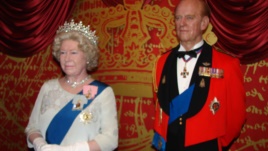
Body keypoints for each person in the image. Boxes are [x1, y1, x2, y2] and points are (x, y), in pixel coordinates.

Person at [151, 0, 246, 151]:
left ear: (204, 23)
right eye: (178, 18)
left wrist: (215, 143)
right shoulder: (162, 61)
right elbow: (159, 103)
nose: (182, 23)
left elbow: (236, 116)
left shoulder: (226, 64)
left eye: (189, 18)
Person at [25, 19, 118, 151]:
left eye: (74, 52)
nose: (67, 58)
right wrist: (39, 143)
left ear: (87, 57)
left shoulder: (100, 92)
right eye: (63, 52)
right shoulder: (48, 87)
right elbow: (32, 127)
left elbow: (110, 140)